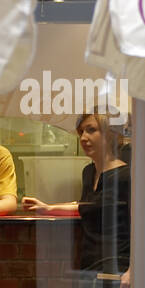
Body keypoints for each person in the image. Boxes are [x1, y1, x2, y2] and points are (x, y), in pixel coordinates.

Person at [22, 113, 130, 272]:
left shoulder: (127, 176)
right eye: (81, 132)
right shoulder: (88, 172)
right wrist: (48, 208)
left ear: (110, 134)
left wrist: (132, 271)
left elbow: (140, 229)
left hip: (117, 264)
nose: (84, 137)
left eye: (91, 130)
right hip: (90, 263)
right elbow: (86, 206)